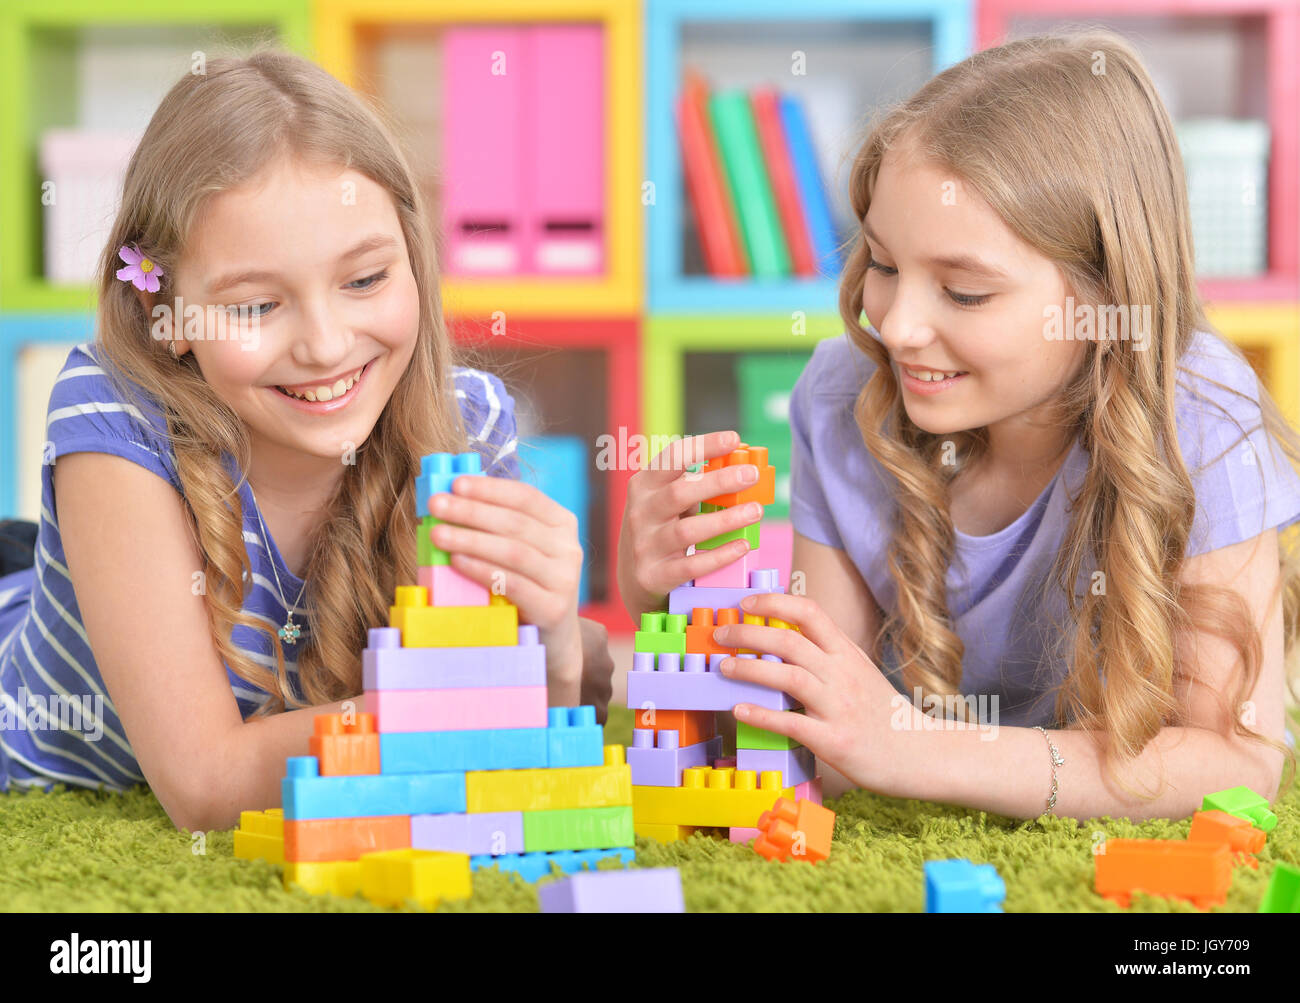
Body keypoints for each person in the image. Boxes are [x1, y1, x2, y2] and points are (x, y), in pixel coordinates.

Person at [0, 50, 612, 831]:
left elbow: (523, 753)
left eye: (364, 281)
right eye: (255, 306)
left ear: (413, 257)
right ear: (165, 312)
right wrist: (492, 698)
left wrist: (556, 651)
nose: (325, 346)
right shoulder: (115, 412)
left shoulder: (468, 421)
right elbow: (206, 784)